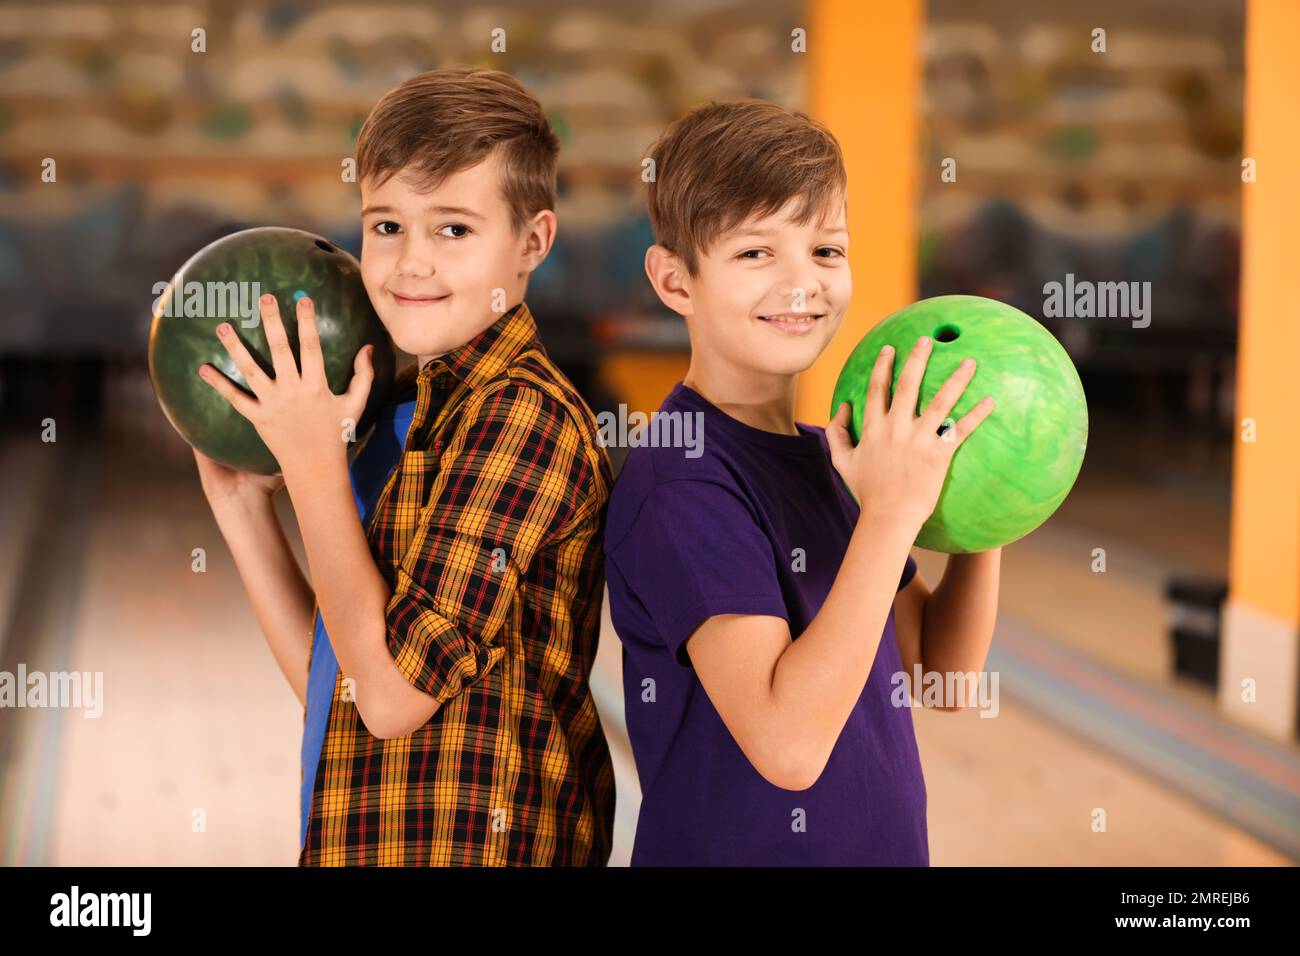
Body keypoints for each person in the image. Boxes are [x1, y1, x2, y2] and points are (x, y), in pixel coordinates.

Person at [194, 68, 615, 866]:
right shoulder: (416, 414)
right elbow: (348, 689)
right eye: (387, 226)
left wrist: (314, 465)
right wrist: (243, 506)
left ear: (533, 242)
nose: (410, 262)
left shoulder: (521, 417)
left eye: (453, 229)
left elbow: (391, 701)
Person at [604, 100, 1002, 865]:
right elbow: (787, 746)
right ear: (675, 280)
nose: (801, 284)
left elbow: (941, 676)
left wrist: (991, 496)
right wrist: (889, 514)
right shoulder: (682, 479)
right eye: (756, 252)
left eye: (825, 250)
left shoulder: (834, 456)